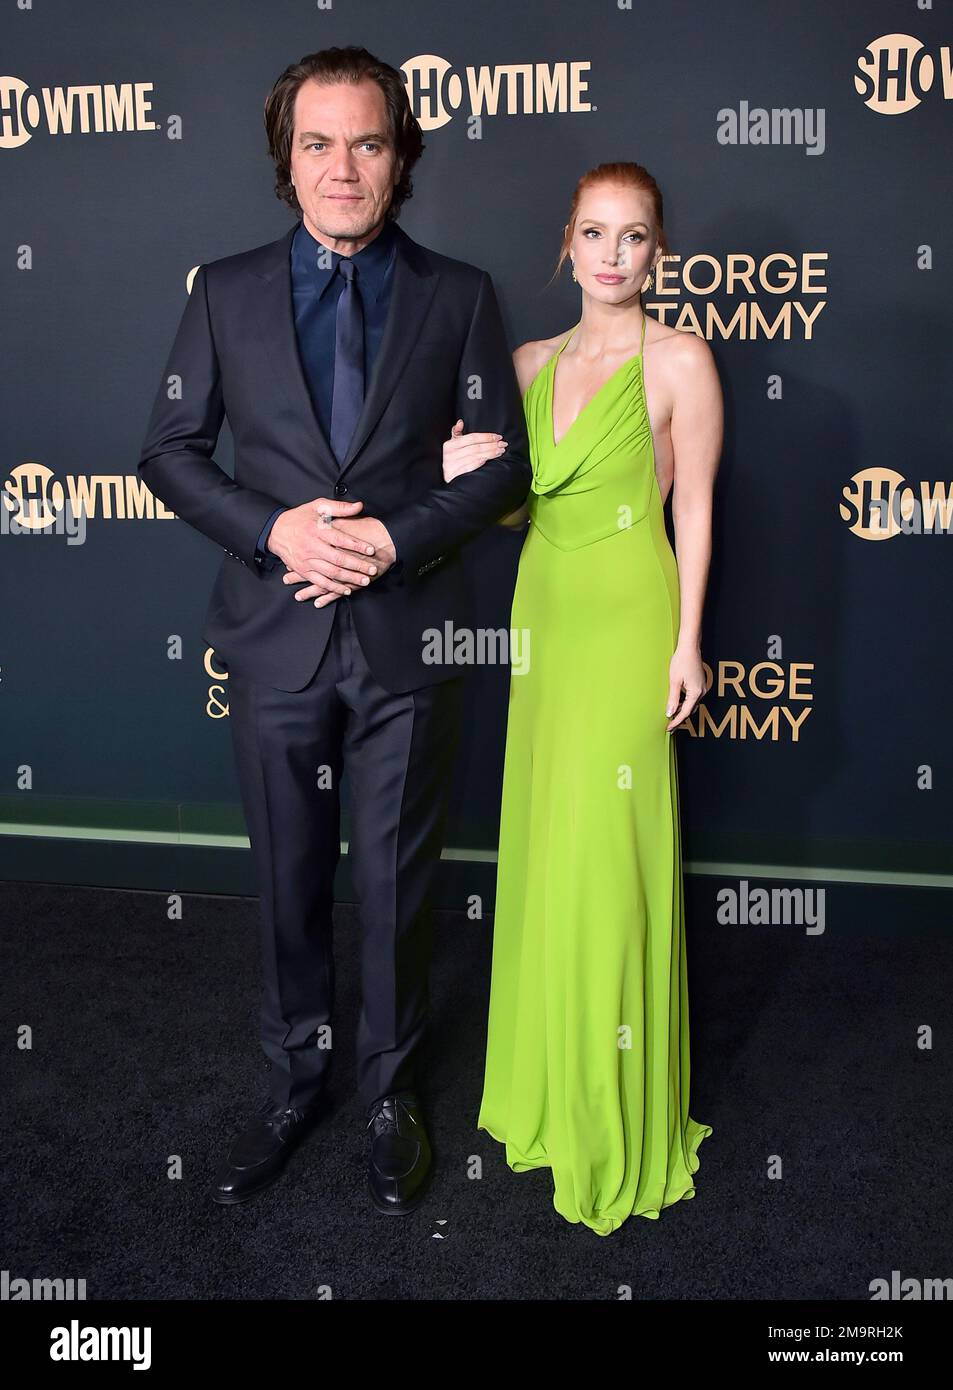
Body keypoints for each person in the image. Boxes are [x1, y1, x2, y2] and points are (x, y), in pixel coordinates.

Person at [137, 46, 531, 1213]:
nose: (342, 167)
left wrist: (391, 540)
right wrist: (279, 533)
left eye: (367, 142)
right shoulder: (225, 290)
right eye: (318, 144)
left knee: (399, 887)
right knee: (289, 879)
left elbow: (498, 470)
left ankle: (392, 1089)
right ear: (286, 159)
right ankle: (295, 1079)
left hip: (409, 642)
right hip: (276, 638)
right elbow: (166, 452)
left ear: (399, 156)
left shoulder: (460, 295)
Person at [445, 163, 722, 1234]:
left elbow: (692, 503)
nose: (612, 255)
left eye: (635, 236)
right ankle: (551, 1088)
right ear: (566, 242)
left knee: (609, 861)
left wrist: (688, 640)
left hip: (625, 618)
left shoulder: (681, 359)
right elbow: (521, 511)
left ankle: (614, 1115)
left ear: (659, 251)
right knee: (550, 846)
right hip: (543, 615)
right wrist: (462, 467)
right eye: (595, 233)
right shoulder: (523, 362)